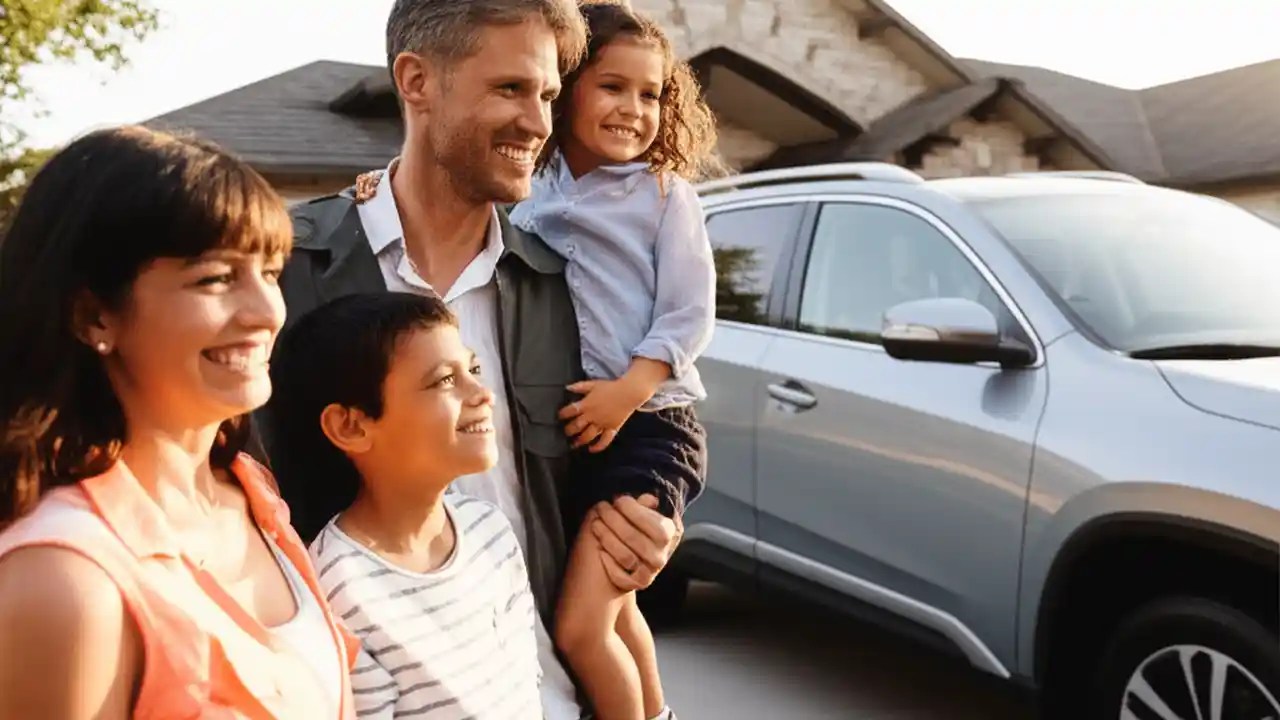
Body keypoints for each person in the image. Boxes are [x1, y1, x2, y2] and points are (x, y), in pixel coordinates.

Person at [257, 2, 687, 717]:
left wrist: (653, 517)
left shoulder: (568, 279)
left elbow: (647, 430)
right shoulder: (284, 267)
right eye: (509, 90)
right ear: (417, 81)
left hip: (550, 695)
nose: (539, 123)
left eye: (548, 95)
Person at [0, 126, 356, 719]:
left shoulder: (252, 493)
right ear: (93, 316)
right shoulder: (67, 581)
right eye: (215, 279)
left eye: (270, 273)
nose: (267, 312)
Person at [507, 3, 718, 718]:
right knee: (620, 610)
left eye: (651, 93)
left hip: (650, 427)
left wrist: (628, 390)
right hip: (579, 435)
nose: (634, 109)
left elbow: (690, 313)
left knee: (580, 626)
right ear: (565, 90)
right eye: (613, 87)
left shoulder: (664, 197)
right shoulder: (531, 192)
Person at [266, 291, 543, 719]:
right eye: (443, 381)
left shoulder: (490, 530)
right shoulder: (339, 586)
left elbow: (526, 692)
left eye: (473, 369)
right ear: (351, 426)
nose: (481, 393)